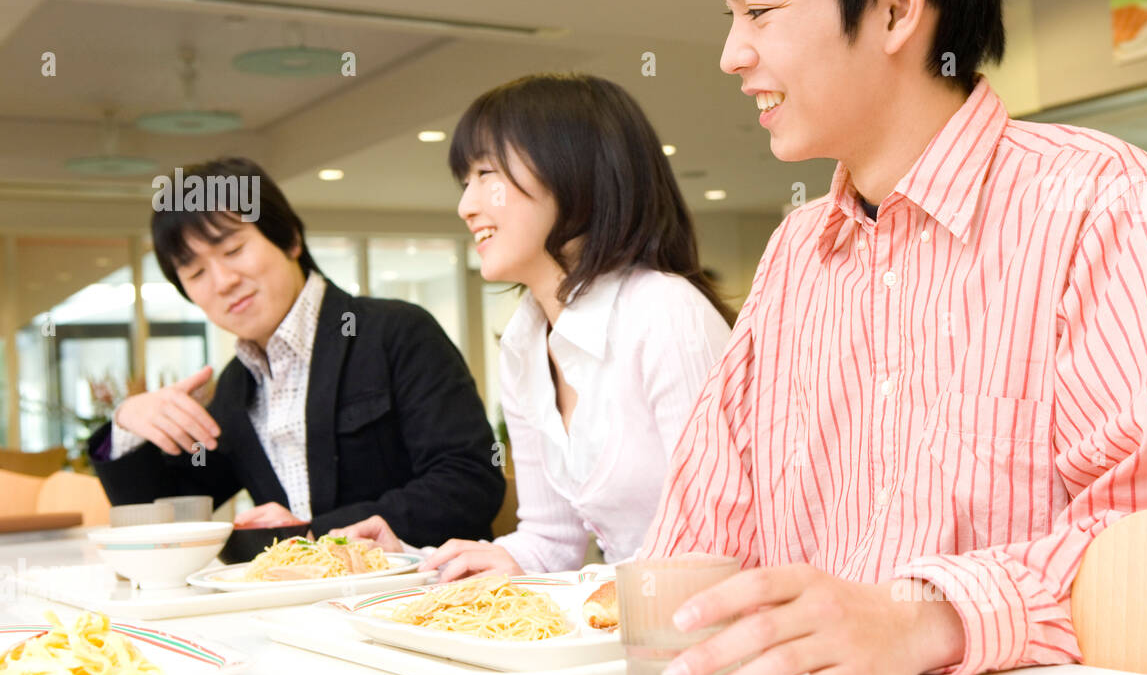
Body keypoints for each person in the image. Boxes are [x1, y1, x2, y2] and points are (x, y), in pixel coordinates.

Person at [636, 0, 1147, 675]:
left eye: (760, 9)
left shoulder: (1097, 203)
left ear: (898, 5)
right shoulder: (797, 253)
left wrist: (922, 620)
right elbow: (699, 539)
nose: (732, 53)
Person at [336, 74, 735, 578]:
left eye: (487, 174)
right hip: (632, 631)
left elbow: (717, 546)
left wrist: (590, 592)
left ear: (575, 175)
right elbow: (550, 541)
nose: (466, 205)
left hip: (713, 636)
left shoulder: (665, 313)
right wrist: (413, 561)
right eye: (465, 182)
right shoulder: (525, 342)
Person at [92, 157, 504, 546]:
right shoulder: (237, 387)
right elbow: (171, 517)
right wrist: (126, 425)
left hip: (427, 599)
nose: (222, 281)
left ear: (289, 238)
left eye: (233, 250)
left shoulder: (394, 333)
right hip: (302, 612)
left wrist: (312, 536)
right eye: (196, 272)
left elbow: (468, 482)